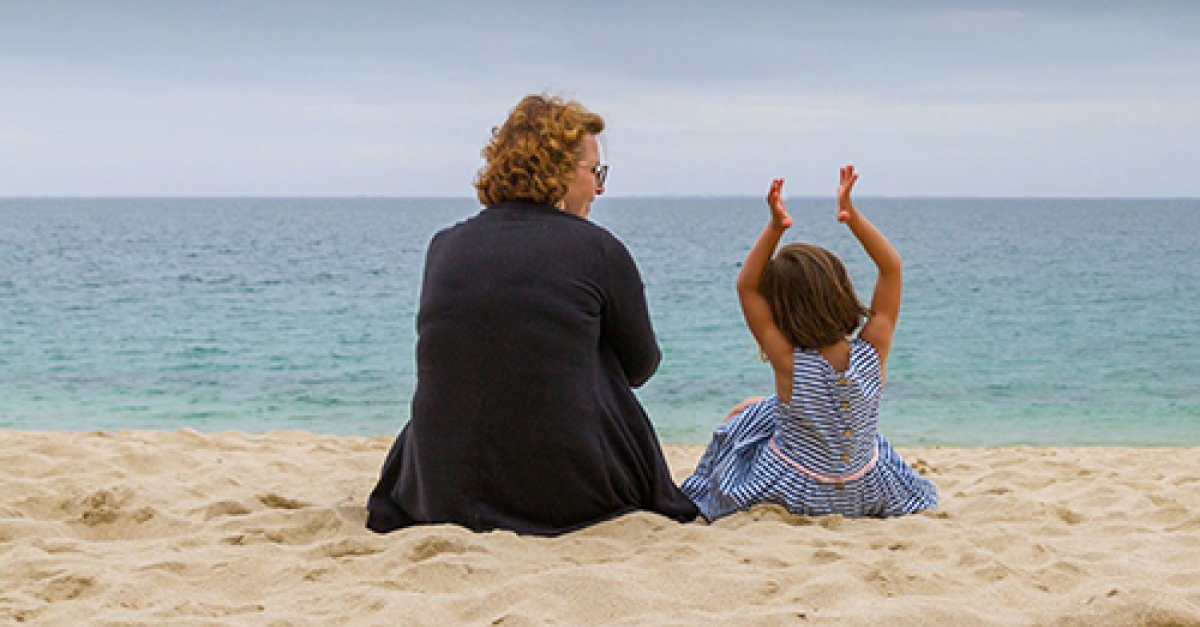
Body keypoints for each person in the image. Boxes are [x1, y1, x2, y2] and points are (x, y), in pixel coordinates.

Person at [366, 94, 699, 535]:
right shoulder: (596, 248)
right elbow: (641, 367)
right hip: (570, 493)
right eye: (595, 173)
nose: (600, 189)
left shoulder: (444, 246)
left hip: (443, 489)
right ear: (559, 171)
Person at [680, 167, 937, 520]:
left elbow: (746, 286)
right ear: (841, 292)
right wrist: (851, 216)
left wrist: (774, 229)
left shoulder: (788, 361)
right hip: (865, 489)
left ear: (780, 311)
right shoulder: (873, 350)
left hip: (801, 491)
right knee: (762, 407)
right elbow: (891, 268)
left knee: (743, 417)